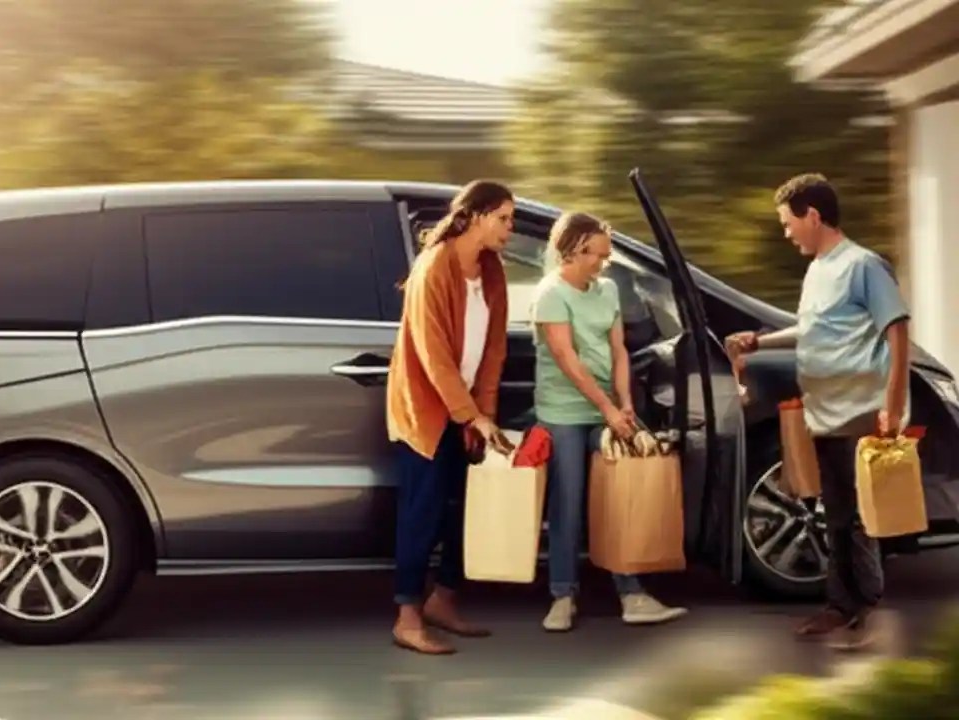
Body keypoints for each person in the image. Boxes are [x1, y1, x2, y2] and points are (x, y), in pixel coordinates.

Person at [727, 173, 910, 651]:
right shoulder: (818, 270)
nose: (786, 233)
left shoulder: (863, 266)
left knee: (862, 518)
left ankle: (865, 613)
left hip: (863, 412)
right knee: (837, 514)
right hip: (826, 414)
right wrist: (760, 340)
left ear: (812, 215)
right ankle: (839, 606)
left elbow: (898, 333)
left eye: (789, 223)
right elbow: (812, 330)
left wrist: (891, 408)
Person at [531, 211, 689, 632]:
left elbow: (618, 351)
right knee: (569, 501)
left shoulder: (606, 291)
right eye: (598, 255)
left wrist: (625, 403)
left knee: (621, 494)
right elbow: (567, 361)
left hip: (607, 406)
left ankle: (632, 592)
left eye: (606, 254)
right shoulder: (550, 294)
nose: (604, 262)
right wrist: (607, 409)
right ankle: (562, 596)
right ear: (574, 250)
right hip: (564, 410)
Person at [385, 179, 516, 655]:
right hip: (426, 410)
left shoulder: (492, 271)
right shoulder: (434, 267)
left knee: (465, 511)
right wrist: (469, 415)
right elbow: (433, 354)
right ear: (476, 216)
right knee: (422, 513)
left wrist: (484, 415)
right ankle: (407, 618)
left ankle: (444, 601)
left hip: (466, 414)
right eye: (503, 218)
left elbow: (495, 349)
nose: (509, 228)